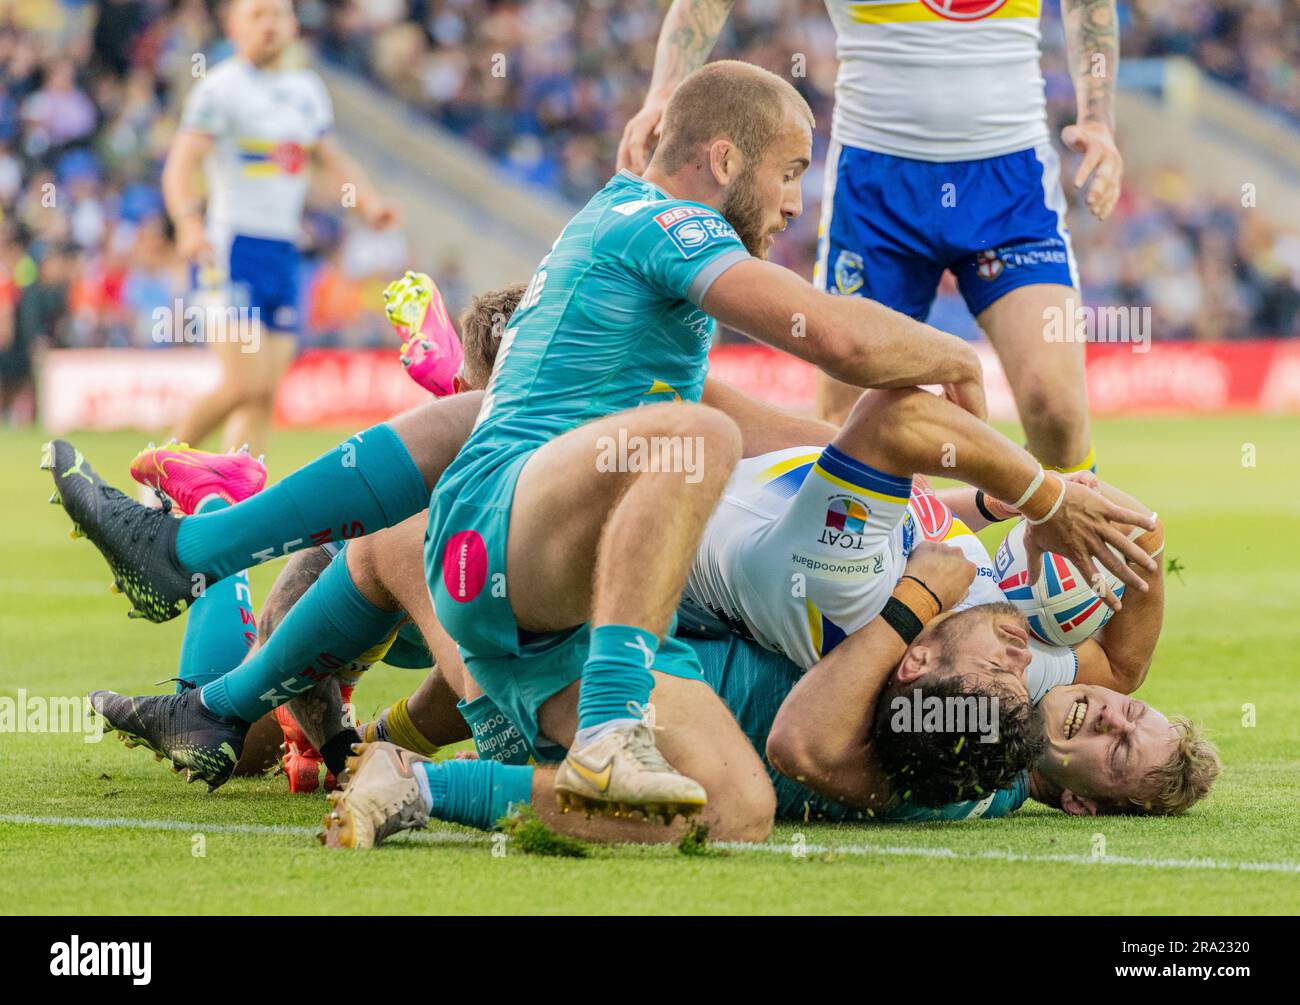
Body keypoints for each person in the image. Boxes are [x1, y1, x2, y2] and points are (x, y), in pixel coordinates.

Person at [620, 0, 1124, 472]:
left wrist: (1098, 120)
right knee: (846, 424)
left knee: (1054, 405)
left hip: (1009, 182)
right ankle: (862, 564)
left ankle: (1068, 559)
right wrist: (665, 92)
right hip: (877, 184)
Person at [160, 0, 395, 457]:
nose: (270, 26)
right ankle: (154, 478)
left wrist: (369, 203)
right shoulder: (220, 89)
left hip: (282, 254)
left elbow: (333, 160)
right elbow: (180, 166)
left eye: (278, 15)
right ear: (234, 26)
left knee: (264, 394)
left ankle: (234, 503)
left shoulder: (305, 90)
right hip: (231, 250)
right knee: (243, 384)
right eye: (258, 15)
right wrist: (188, 224)